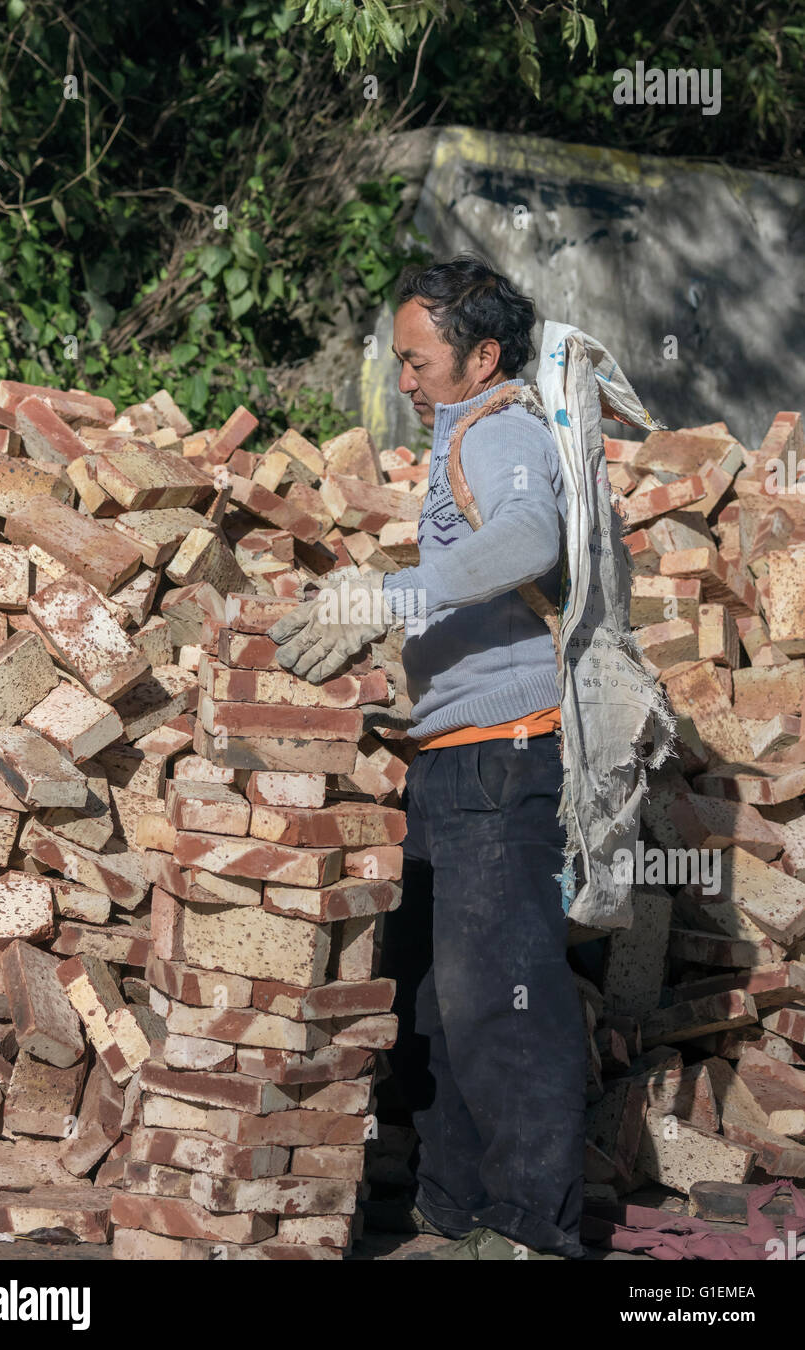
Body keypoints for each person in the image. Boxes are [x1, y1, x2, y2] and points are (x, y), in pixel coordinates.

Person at [268, 254, 587, 1262]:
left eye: (416, 360)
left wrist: (389, 595)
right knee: (441, 1002)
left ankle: (532, 1226)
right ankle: (453, 1206)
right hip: (449, 758)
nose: (401, 379)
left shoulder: (502, 431)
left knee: (502, 992)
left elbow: (530, 538)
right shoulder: (461, 435)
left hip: (504, 758)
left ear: (480, 355)